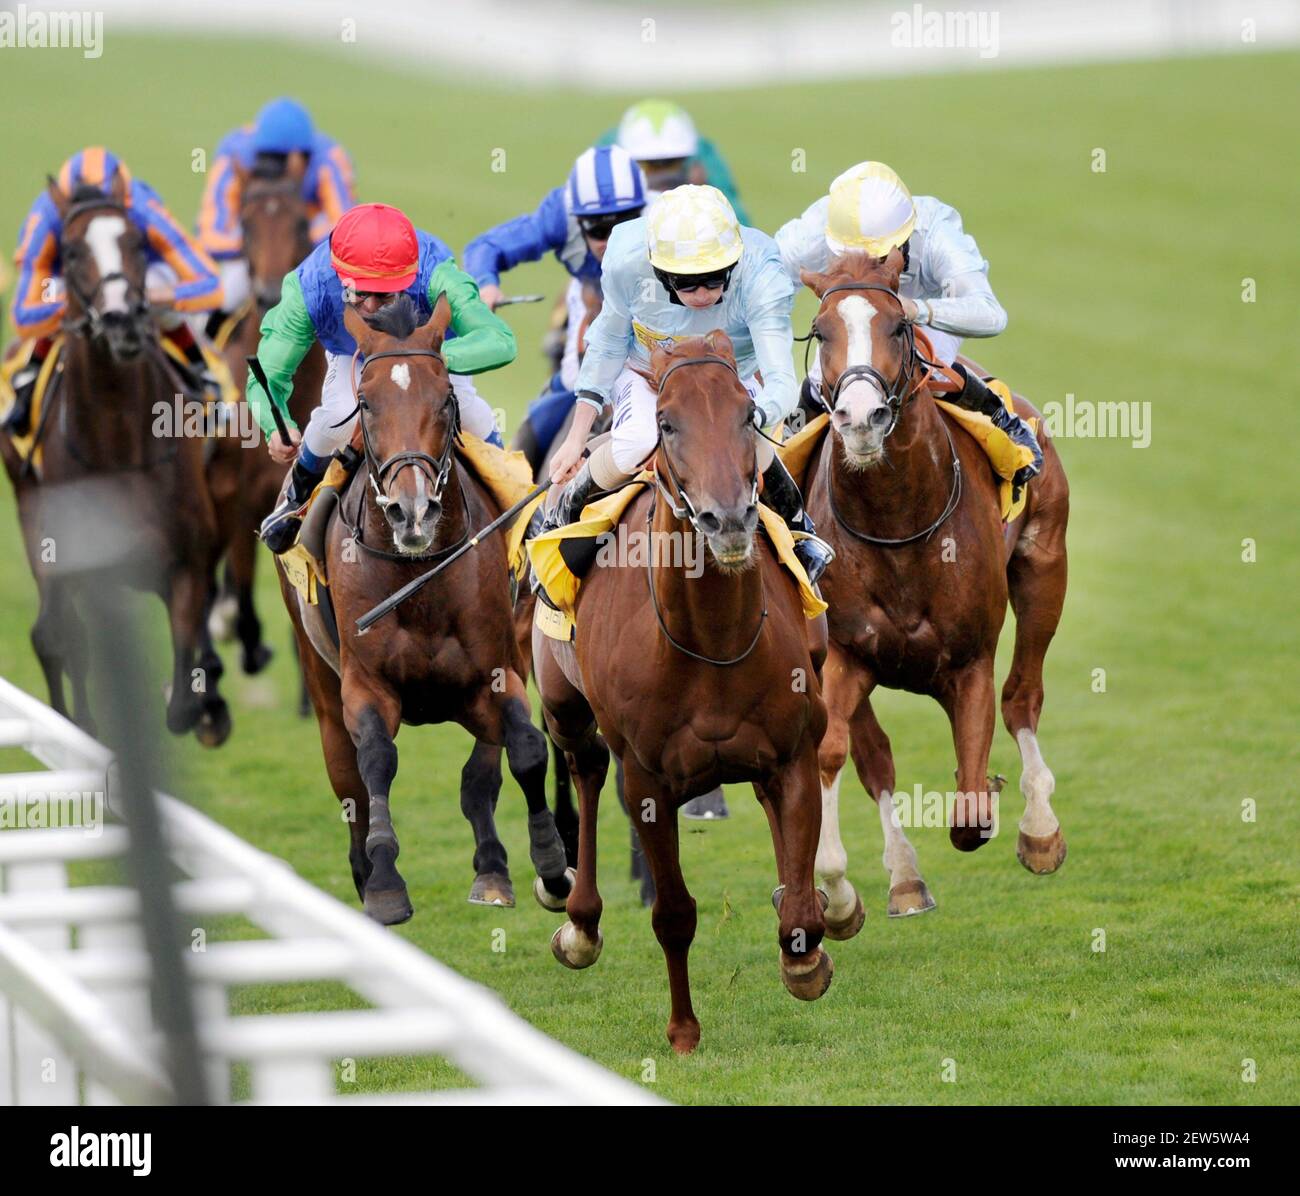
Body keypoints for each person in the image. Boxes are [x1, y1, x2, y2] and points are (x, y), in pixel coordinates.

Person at [543, 184, 834, 584]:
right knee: (634, 441)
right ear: (660, 273)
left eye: (715, 281)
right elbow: (608, 343)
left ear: (734, 265)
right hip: (646, 375)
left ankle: (802, 533)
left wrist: (749, 418)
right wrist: (576, 437)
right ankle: (562, 515)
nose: (701, 295)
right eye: (685, 284)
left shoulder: (762, 276)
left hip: (726, 383)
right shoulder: (628, 263)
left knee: (753, 448)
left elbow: (782, 379)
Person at [250, 202, 516, 553]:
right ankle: (295, 501)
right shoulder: (308, 287)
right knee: (339, 417)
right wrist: (276, 425)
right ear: (339, 275)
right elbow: (268, 377)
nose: (373, 307)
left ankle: (520, 505)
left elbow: (501, 341)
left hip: (431, 350)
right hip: (358, 354)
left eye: (386, 294)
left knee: (474, 414)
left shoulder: (436, 271)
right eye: (360, 294)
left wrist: (430, 359)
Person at [776, 161, 1041, 484]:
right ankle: (782, 466)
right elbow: (761, 293)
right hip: (852, 323)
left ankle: (999, 415)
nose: (868, 269)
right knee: (821, 378)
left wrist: (916, 310)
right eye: (853, 260)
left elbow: (991, 314)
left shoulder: (936, 231)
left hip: (920, 317)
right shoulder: (808, 236)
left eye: (878, 260)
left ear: (905, 239)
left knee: (926, 360)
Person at [5, 147, 222, 435]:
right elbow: (23, 317)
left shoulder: (142, 207)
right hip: (76, 280)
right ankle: (30, 377)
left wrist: (160, 296)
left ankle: (199, 369)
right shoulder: (45, 216)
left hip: (136, 273)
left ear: (124, 199)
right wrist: (73, 305)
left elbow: (211, 284)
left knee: (157, 285)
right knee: (51, 289)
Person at [463, 145, 646, 468]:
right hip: (592, 306)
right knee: (546, 419)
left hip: (651, 316)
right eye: (599, 231)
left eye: (625, 224)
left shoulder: (668, 218)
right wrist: (485, 285)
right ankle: (517, 494)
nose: (614, 240)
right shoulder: (559, 216)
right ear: (578, 221)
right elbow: (486, 247)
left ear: (643, 212)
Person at [196, 97, 355, 332]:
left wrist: (295, 240)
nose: (278, 168)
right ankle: (204, 355)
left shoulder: (329, 158)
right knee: (227, 293)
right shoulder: (233, 155)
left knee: (350, 295)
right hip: (251, 244)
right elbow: (210, 235)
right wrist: (262, 245)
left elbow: (346, 226)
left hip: (308, 249)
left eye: (285, 160)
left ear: (303, 156)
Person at [600, 98, 750, 223]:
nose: (662, 175)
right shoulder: (604, 166)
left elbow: (741, 229)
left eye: (670, 163)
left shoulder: (710, 164)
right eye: (650, 165)